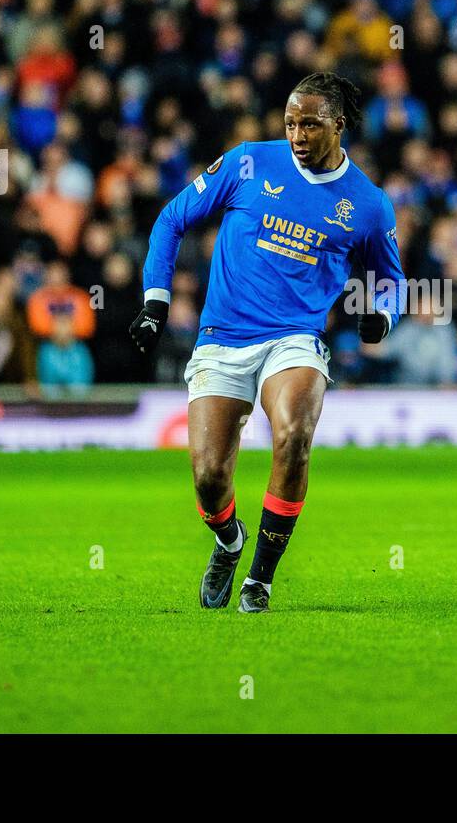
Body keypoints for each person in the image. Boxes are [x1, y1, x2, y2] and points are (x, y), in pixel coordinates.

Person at [130, 72, 406, 613]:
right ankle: (229, 543)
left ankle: (261, 578)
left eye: (311, 124)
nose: (298, 135)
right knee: (210, 477)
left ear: (339, 126)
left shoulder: (368, 204)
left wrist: (384, 317)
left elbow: (392, 280)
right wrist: (156, 299)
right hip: (223, 337)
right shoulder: (248, 162)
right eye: (290, 123)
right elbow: (171, 219)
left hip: (296, 339)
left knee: (294, 433)